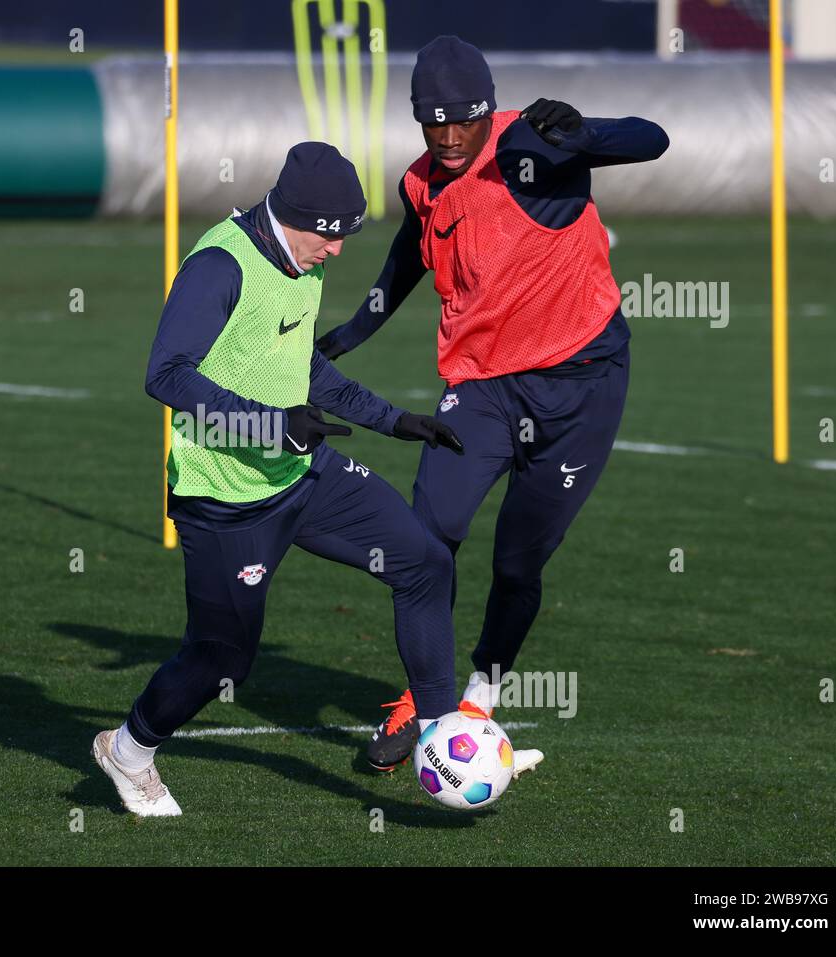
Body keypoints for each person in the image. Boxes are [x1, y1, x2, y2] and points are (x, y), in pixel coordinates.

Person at [91, 141, 541, 817]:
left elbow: (306, 367)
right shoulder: (220, 265)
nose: (335, 252)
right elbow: (165, 373)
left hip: (304, 475)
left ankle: (445, 734)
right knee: (221, 661)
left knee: (422, 561)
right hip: (226, 501)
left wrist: (397, 421)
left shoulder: (304, 257)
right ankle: (126, 752)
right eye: (329, 236)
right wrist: (273, 427)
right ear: (291, 213)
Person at [316, 36, 669, 770]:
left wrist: (587, 134)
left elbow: (653, 138)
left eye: (463, 120)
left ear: (488, 110)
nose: (448, 136)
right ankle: (426, 698)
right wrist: (350, 333)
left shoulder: (531, 144)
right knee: (425, 536)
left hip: (581, 386)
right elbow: (410, 253)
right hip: (481, 385)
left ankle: (483, 689)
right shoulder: (423, 179)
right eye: (432, 121)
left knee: (517, 562)